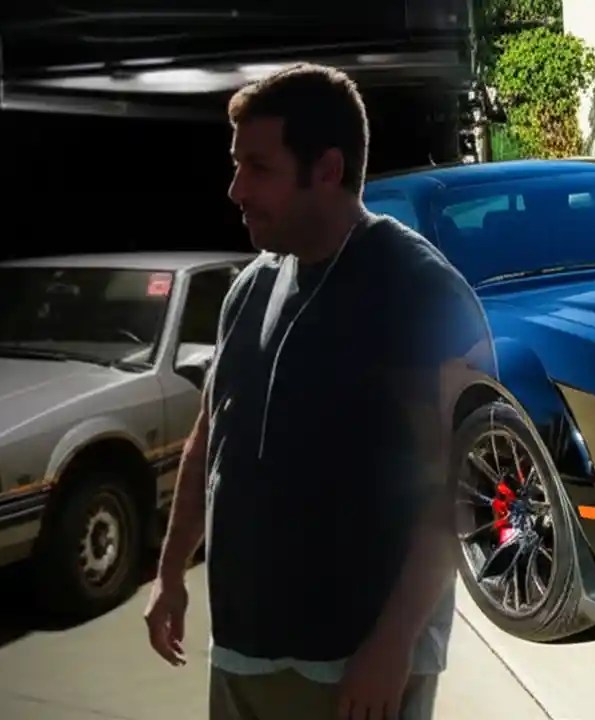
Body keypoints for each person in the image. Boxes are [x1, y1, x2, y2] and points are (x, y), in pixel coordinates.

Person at [143, 63, 496, 720]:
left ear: (328, 170)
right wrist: (169, 576)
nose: (235, 189)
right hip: (244, 655)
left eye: (258, 166)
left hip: (355, 672)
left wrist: (393, 645)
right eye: (236, 164)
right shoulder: (249, 288)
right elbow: (208, 437)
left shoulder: (417, 289)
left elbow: (466, 484)